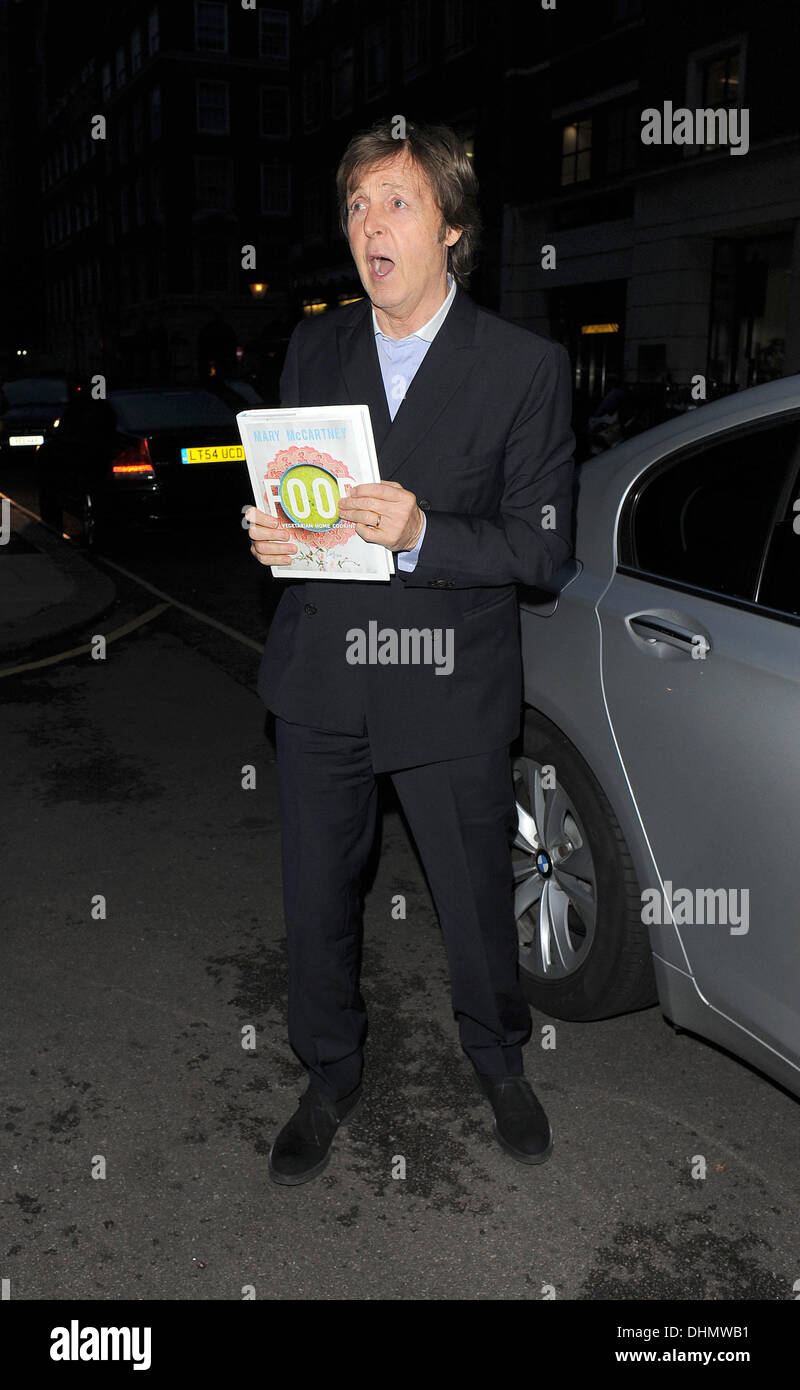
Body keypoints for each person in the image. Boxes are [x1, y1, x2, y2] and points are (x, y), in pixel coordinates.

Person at [247, 119, 575, 1185]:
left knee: (474, 898)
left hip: (448, 675)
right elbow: (306, 497)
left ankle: (497, 1060)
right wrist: (278, 535)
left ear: (450, 229)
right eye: (352, 205)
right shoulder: (316, 344)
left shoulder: (523, 367)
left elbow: (541, 546)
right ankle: (328, 1070)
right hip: (322, 674)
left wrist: (424, 531)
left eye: (391, 201)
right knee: (315, 895)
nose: (365, 224)